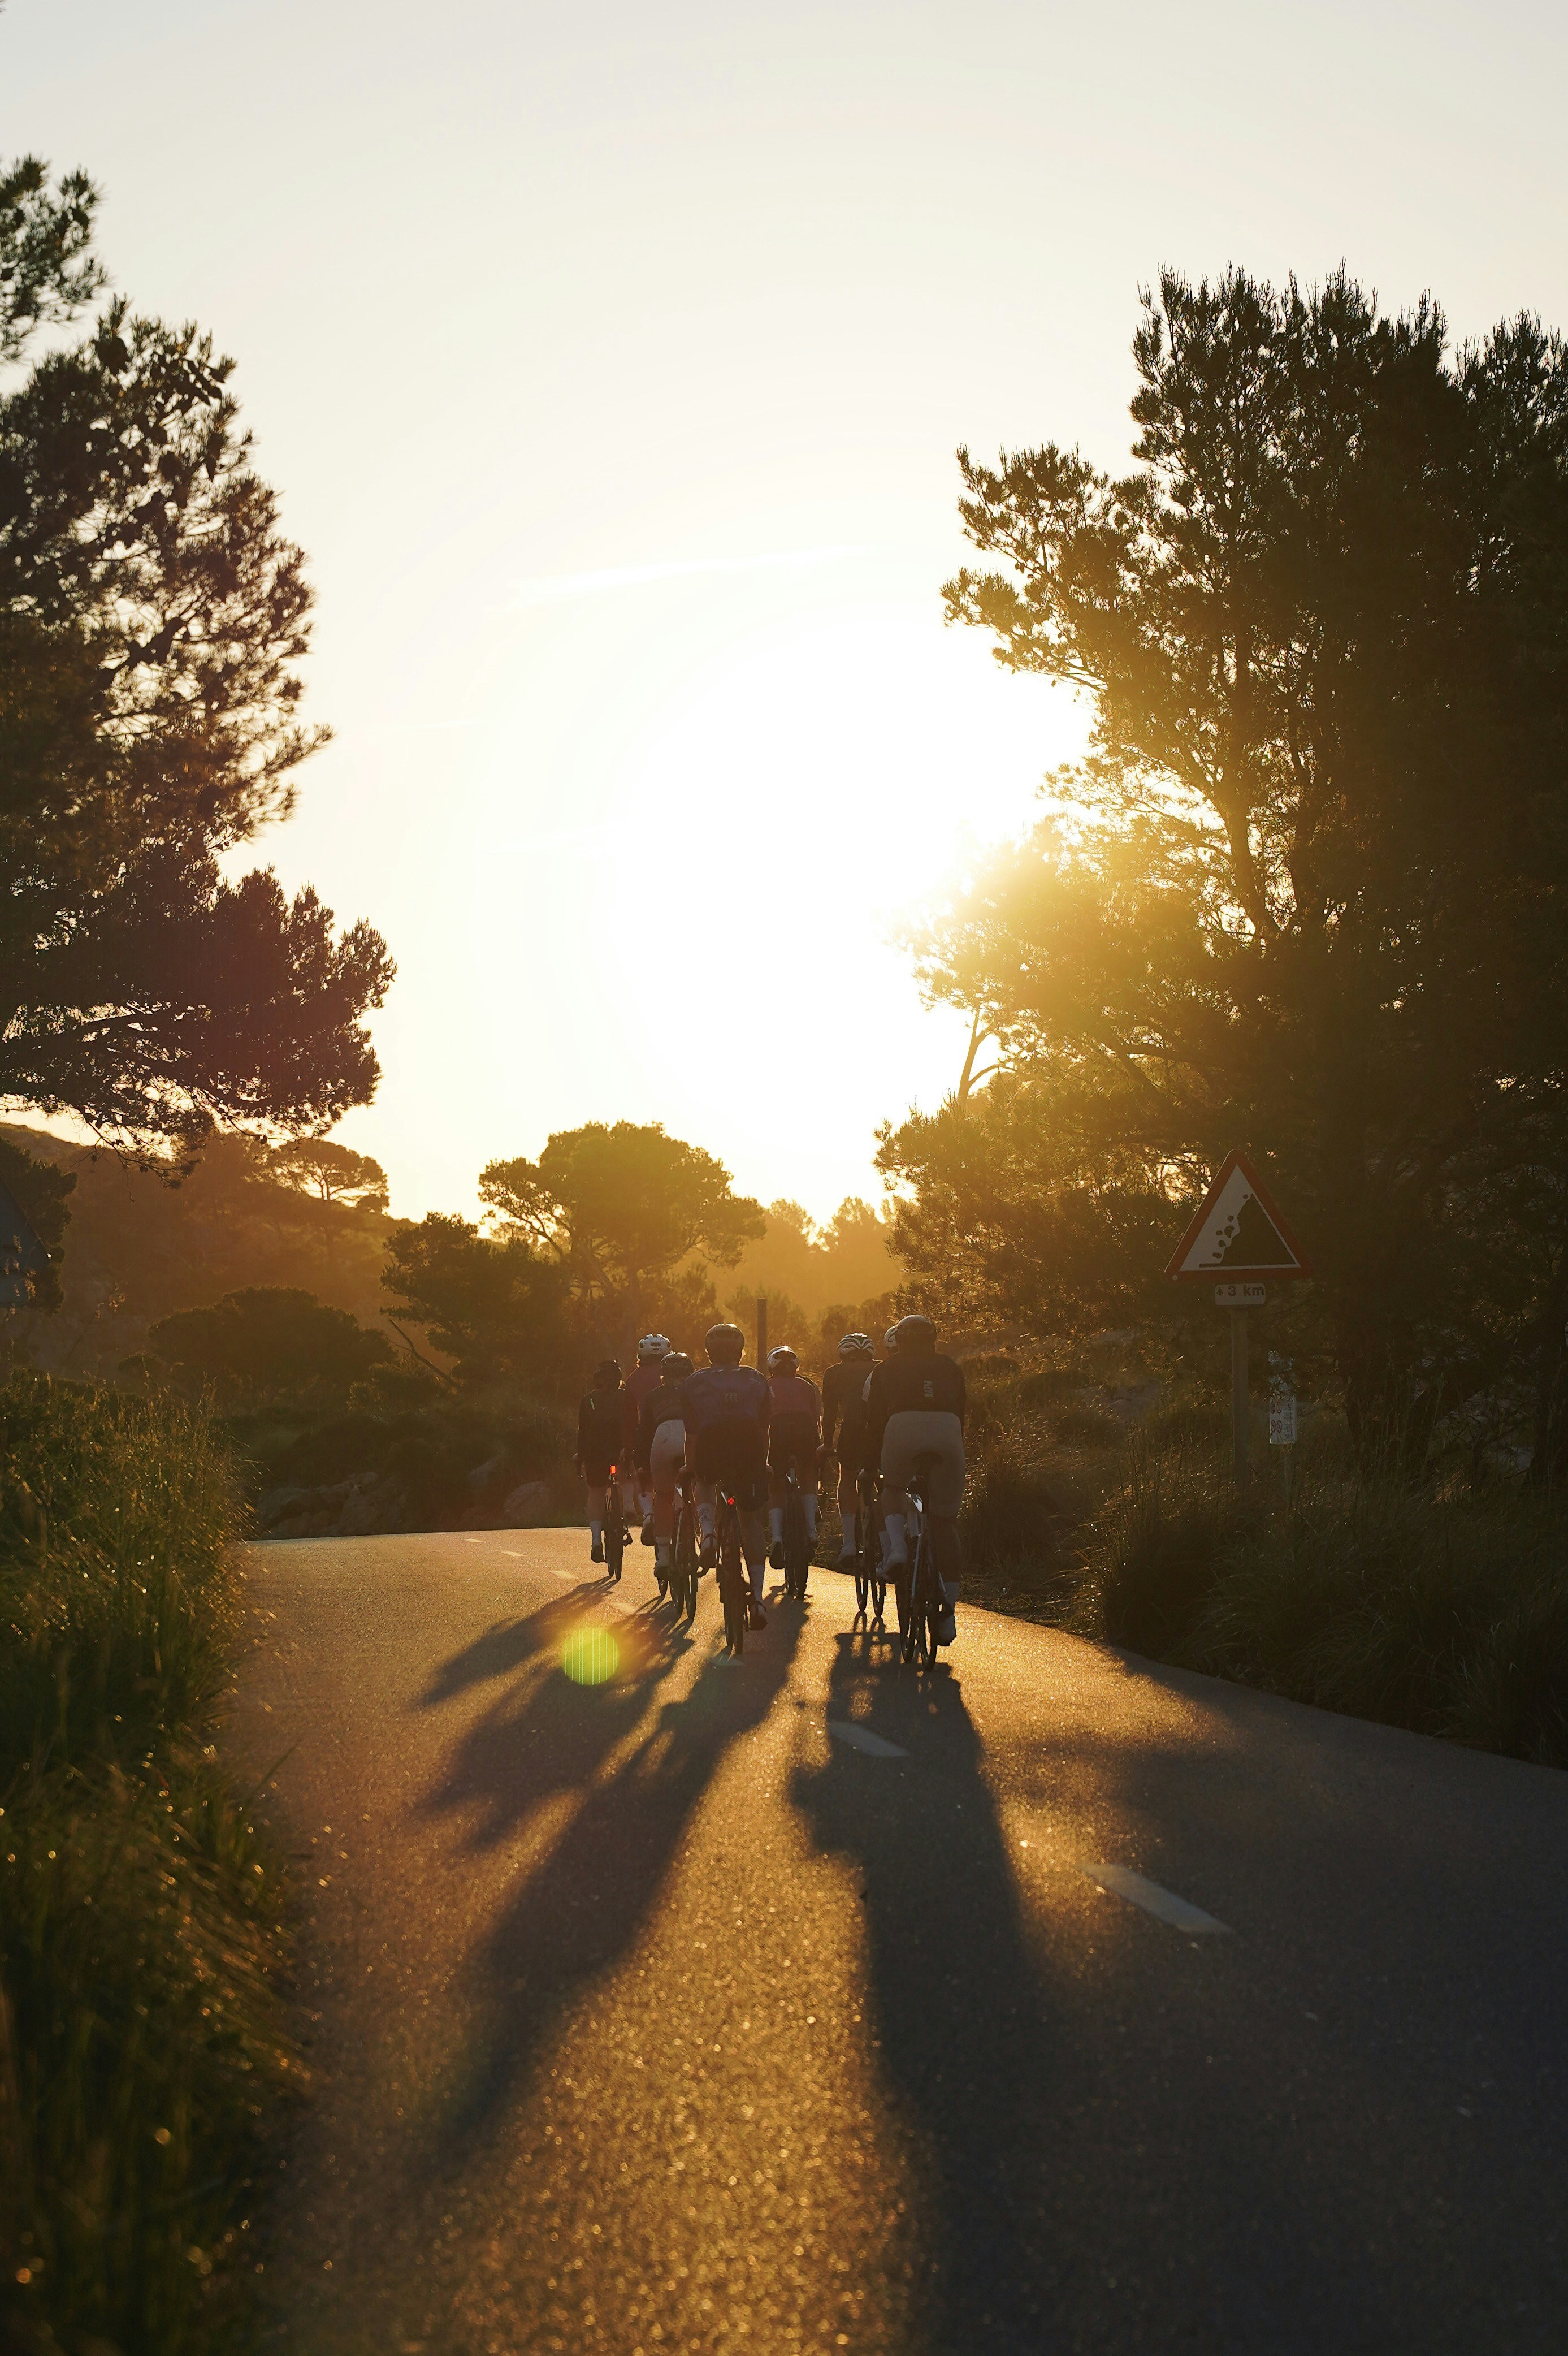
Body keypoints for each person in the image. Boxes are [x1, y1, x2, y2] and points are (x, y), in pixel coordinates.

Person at [861, 1311, 967, 1645]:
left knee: (893, 1488)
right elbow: (962, 1414)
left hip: (902, 1429)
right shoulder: (951, 1367)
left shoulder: (885, 1368)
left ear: (901, 1340)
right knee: (945, 1522)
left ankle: (896, 1550)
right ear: (933, 1340)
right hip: (948, 1431)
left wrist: (869, 1465)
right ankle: (948, 1615)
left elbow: (875, 1423)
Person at [679, 1321, 770, 1628]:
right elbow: (764, 1431)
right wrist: (762, 1464)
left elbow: (691, 1435)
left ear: (709, 1353)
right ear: (740, 1352)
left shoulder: (693, 1383)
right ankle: (757, 1599)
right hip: (749, 1446)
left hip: (710, 1444)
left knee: (704, 1481)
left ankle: (708, 1534)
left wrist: (691, 1467)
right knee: (751, 1522)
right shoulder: (757, 1379)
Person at [634, 1349, 693, 1584]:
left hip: (664, 1437)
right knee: (701, 1487)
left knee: (664, 1495)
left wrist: (642, 1465)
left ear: (663, 1376)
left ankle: (664, 1558)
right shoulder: (697, 1392)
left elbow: (644, 1433)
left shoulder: (652, 1396)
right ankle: (707, 1534)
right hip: (691, 1437)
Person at [821, 1330, 875, 1566]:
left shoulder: (834, 1373)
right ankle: (890, 1542)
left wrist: (827, 1444)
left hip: (852, 1430)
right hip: (880, 1430)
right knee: (886, 1482)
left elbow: (830, 1412)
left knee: (848, 1478)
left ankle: (849, 1542)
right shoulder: (881, 1368)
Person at [765, 1344, 821, 1567]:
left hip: (777, 1431)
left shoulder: (766, 1386)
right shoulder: (808, 1386)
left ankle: (777, 1537)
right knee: (807, 1474)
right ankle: (812, 1530)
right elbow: (816, 1419)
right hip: (805, 1429)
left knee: (776, 1483)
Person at [575, 1357, 625, 1564]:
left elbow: (583, 1433)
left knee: (595, 1493)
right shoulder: (626, 1397)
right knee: (626, 1478)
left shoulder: (588, 1400)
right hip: (621, 1451)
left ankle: (596, 1540)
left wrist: (579, 1456)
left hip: (594, 1453)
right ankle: (629, 1508)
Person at [621, 1333, 671, 1538]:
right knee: (678, 1478)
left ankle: (649, 1513)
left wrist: (628, 1447)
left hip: (646, 1435)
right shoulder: (676, 1374)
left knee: (644, 1476)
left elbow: (629, 1417)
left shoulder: (634, 1379)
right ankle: (682, 1512)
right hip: (677, 1431)